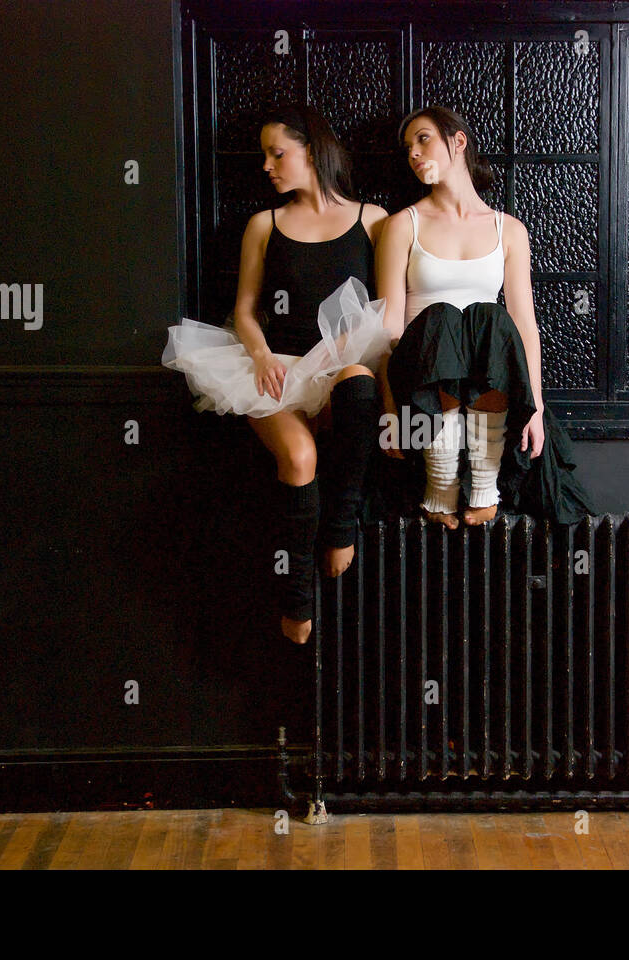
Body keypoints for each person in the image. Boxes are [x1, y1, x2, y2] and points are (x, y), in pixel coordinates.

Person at [161, 104, 389, 645]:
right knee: (300, 456)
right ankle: (297, 599)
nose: (267, 165)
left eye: (276, 152)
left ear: (311, 151)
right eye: (265, 155)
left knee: (357, 379)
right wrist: (261, 354)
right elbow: (244, 308)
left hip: (340, 370)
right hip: (276, 371)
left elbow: (387, 309)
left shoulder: (373, 221)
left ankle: (341, 529)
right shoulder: (264, 224)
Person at [373, 105, 595, 528]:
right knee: (443, 319)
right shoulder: (403, 225)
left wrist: (536, 406)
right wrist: (388, 408)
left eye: (423, 139)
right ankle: (440, 484)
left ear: (458, 142)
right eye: (408, 148)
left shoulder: (508, 230)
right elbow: (388, 327)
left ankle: (483, 484)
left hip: (487, 379)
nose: (414, 154)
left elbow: (525, 326)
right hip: (421, 382)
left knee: (488, 319)